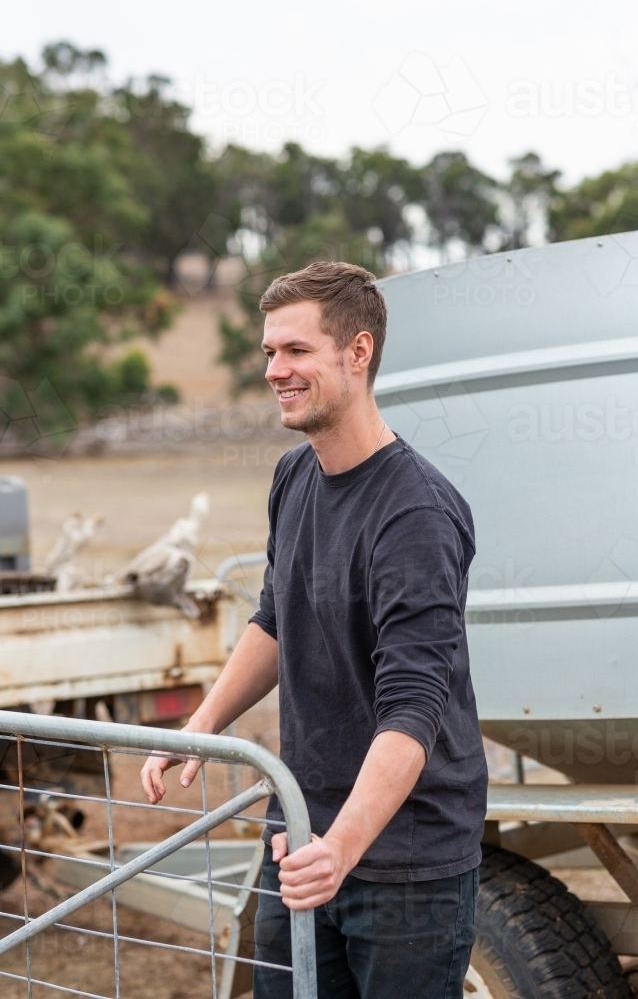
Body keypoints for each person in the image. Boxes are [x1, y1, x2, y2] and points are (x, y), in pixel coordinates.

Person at [141, 261, 488, 999]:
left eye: (295, 351)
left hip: (404, 866)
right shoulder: (293, 478)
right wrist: (199, 727)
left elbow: (413, 705)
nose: (275, 370)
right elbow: (275, 617)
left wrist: (343, 848)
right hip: (300, 832)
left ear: (356, 353)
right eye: (269, 352)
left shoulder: (415, 514)